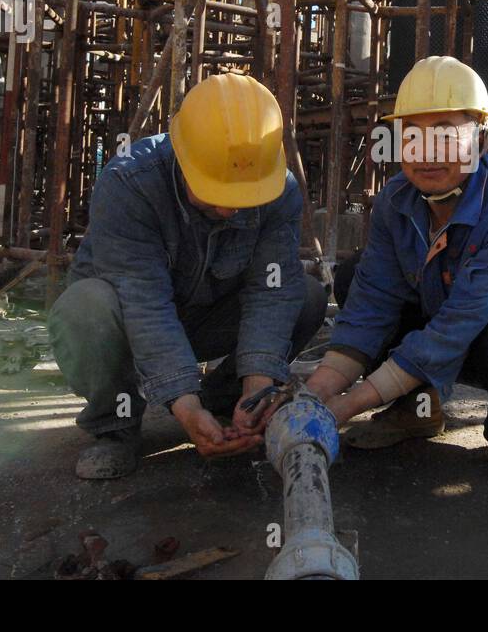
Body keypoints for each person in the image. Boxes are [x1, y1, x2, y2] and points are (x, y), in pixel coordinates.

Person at [304, 55, 488, 480]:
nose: (428, 153)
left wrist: (346, 406)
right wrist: (314, 394)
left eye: (446, 135)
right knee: (355, 275)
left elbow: (461, 322)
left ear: (480, 137)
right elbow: (371, 304)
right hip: (447, 328)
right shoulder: (395, 201)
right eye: (412, 135)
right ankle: (417, 409)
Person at [48, 73, 327, 479]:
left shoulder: (278, 190)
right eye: (217, 194)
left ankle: (227, 403)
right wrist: (184, 405)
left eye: (243, 196)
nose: (232, 210)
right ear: (182, 156)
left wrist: (257, 386)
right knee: (85, 307)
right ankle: (115, 425)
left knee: (307, 294)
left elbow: (272, 290)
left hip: (207, 317)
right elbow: (143, 302)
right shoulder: (129, 184)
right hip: (129, 324)